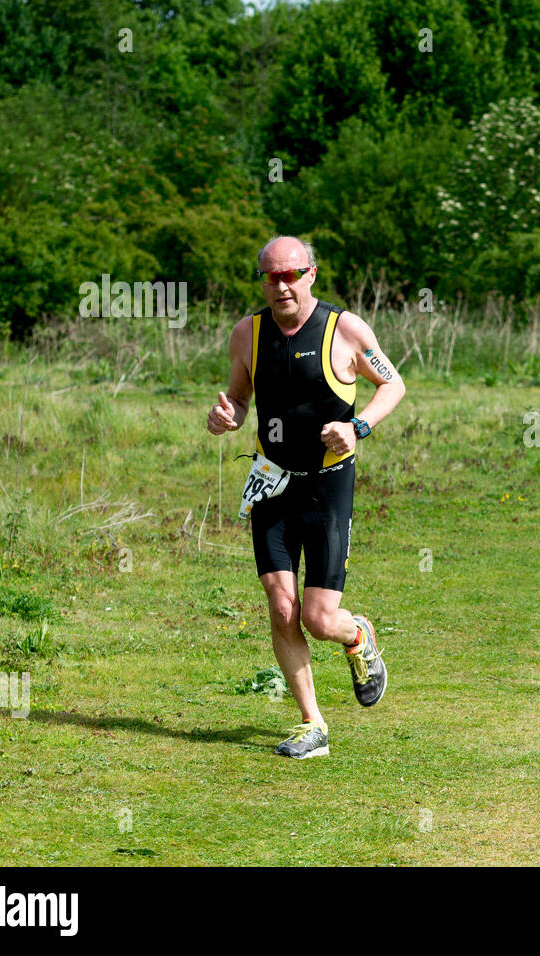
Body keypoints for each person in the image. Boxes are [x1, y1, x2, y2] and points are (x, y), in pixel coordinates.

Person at [205, 236, 406, 759]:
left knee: (318, 620)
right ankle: (311, 723)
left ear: (311, 274)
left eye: (291, 274)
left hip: (326, 486)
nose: (282, 285)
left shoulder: (346, 330)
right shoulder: (246, 334)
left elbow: (394, 385)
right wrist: (226, 417)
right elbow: (240, 398)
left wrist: (357, 426)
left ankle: (357, 634)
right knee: (280, 604)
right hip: (271, 479)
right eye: (271, 276)